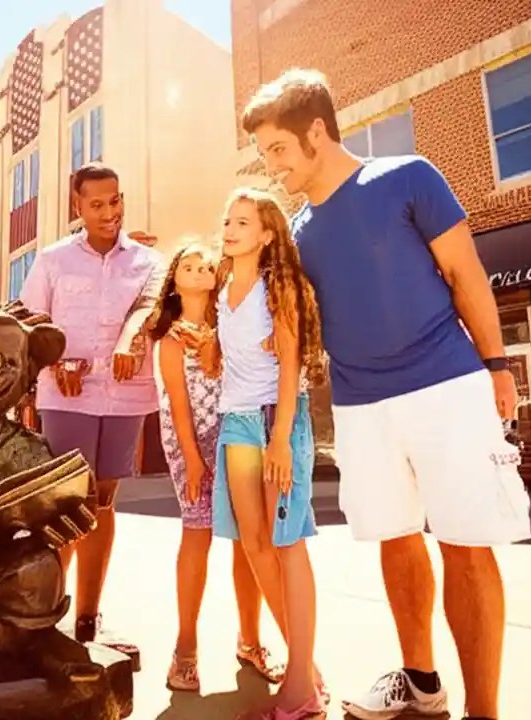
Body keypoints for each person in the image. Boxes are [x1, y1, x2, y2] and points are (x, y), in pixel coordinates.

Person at [240, 68, 531, 720]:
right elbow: (287, 321)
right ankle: (421, 685)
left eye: (278, 150)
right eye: (264, 156)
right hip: (361, 405)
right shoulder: (300, 232)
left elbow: (465, 274)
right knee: (397, 539)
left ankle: (484, 711)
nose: (273, 167)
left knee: (466, 542)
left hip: (447, 385)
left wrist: (498, 364)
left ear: (316, 131)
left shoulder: (408, 177)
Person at [186, 188, 326, 720]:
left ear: (267, 234)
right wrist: (203, 344)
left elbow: (290, 364)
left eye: (242, 222)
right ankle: (305, 669)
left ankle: (300, 690)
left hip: (275, 419)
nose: (229, 229)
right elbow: (225, 358)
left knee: (287, 544)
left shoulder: (280, 284)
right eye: (227, 220)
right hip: (235, 421)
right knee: (254, 544)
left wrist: (283, 438)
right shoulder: (223, 287)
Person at [18, 162, 163, 643]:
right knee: (66, 504)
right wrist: (56, 361)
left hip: (126, 397)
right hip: (67, 398)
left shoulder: (145, 261)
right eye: (97, 204)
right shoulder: (52, 260)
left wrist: (128, 341)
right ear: (76, 206)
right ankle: (43, 611)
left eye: (115, 200)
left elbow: (151, 307)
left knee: (102, 502)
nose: (109, 212)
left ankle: (88, 616)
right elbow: (31, 326)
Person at [144, 240, 283, 692]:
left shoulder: (228, 327)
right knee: (197, 533)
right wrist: (193, 459)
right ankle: (185, 649)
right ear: (175, 281)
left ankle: (251, 640)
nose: (200, 268)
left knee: (248, 537)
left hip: (236, 434)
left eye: (206, 264)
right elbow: (178, 406)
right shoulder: (168, 339)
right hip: (191, 443)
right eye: (189, 264)